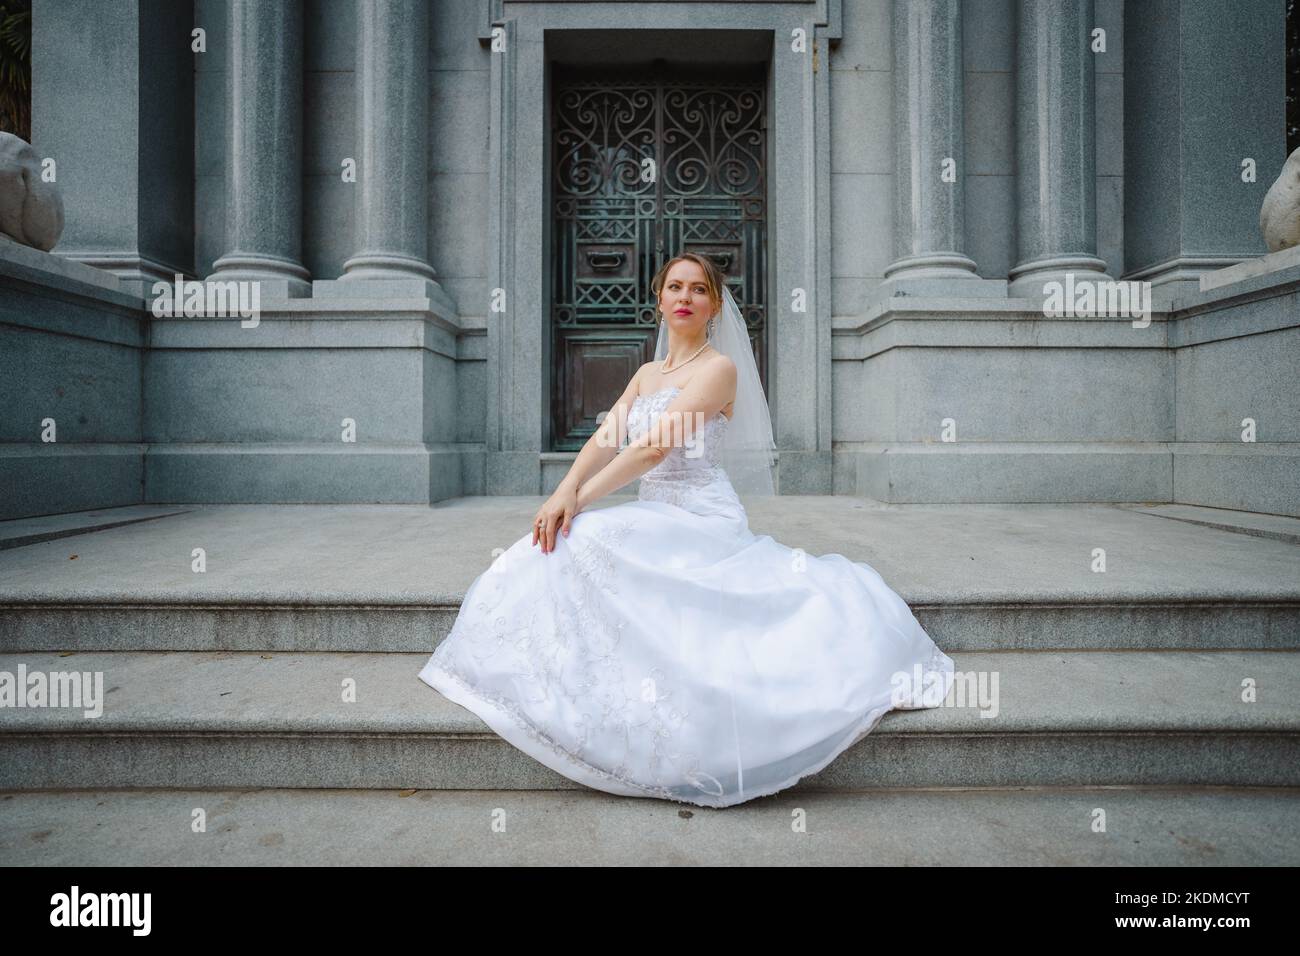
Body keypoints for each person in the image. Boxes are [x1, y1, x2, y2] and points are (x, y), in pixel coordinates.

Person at [417, 252, 955, 808]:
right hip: (656, 512)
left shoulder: (718, 369)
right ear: (659, 299)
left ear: (714, 304)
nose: (685, 296)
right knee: (562, 545)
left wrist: (577, 503)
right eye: (675, 286)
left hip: (700, 515)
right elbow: (608, 438)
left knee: (589, 537)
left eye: (699, 289)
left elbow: (654, 448)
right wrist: (562, 490)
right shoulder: (648, 374)